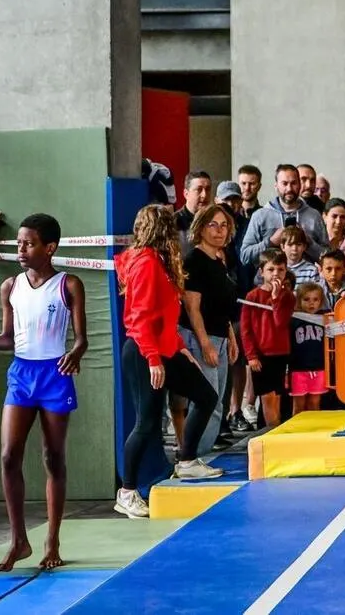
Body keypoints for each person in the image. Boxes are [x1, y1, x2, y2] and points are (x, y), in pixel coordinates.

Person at [0, 214, 86, 571]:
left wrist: (75, 353)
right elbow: (10, 338)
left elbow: (82, 338)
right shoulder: (10, 287)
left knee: (52, 458)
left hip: (55, 374)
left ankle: (52, 540)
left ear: (50, 247)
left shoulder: (68, 285)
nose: (21, 249)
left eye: (29, 243)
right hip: (22, 374)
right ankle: (18, 541)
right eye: (19, 243)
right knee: (9, 455)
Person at [114, 205, 223, 521]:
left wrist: (179, 349)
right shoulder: (146, 264)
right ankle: (127, 492)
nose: (178, 236)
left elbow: (164, 318)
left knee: (205, 396)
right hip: (143, 351)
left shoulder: (158, 262)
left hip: (163, 348)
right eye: (173, 230)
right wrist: (153, 359)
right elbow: (139, 319)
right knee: (146, 422)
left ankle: (187, 460)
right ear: (162, 230)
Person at [179, 206, 239, 457]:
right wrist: (205, 344)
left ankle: (202, 455)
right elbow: (192, 308)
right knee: (207, 401)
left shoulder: (219, 261)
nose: (219, 231)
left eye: (223, 225)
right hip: (201, 337)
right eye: (213, 225)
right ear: (201, 228)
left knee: (218, 402)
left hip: (221, 336)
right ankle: (192, 456)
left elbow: (223, 306)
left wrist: (231, 338)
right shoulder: (194, 261)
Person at [240, 249, 295, 426]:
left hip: (280, 352)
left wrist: (275, 298)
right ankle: (271, 430)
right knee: (267, 396)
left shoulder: (287, 296)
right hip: (261, 354)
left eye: (280, 269)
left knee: (277, 395)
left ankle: (276, 429)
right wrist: (251, 355)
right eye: (271, 269)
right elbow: (246, 329)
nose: (275, 274)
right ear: (261, 271)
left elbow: (280, 322)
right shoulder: (252, 296)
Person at [240, 164, 328, 266]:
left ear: (299, 184)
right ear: (276, 185)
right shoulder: (260, 215)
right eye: (284, 183)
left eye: (293, 183)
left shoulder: (314, 216)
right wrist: (271, 242)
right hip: (269, 279)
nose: (289, 188)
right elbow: (245, 256)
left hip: (306, 279)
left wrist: (308, 242)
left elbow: (328, 257)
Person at [289, 283, 327, 414]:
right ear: (298, 301)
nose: (311, 303)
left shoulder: (324, 318)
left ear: (321, 301)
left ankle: (313, 431)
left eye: (315, 299)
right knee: (298, 405)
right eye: (306, 299)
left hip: (319, 367)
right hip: (298, 369)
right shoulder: (293, 320)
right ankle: (297, 431)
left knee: (314, 403)